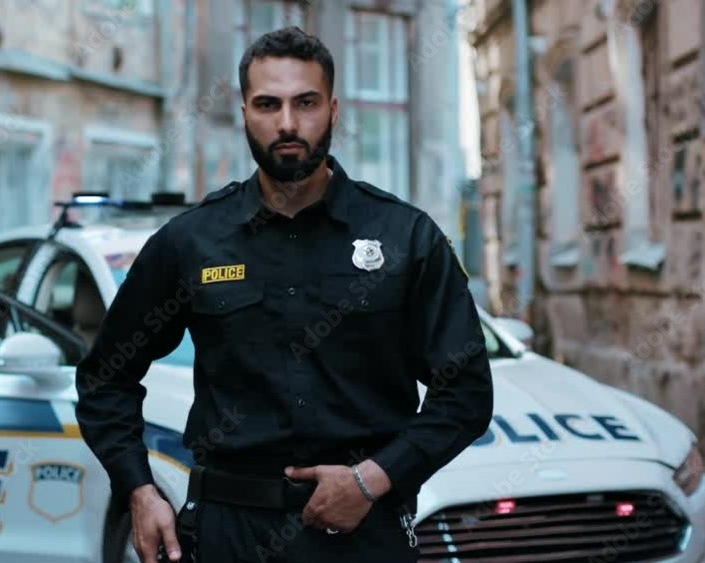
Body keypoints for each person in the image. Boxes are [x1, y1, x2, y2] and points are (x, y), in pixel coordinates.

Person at [76, 27, 493, 563]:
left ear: (334, 111)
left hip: (364, 534)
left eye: (306, 103)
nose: (288, 123)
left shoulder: (405, 237)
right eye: (268, 104)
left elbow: (465, 392)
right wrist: (138, 488)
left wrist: (373, 478)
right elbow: (105, 378)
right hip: (230, 536)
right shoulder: (192, 241)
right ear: (245, 112)